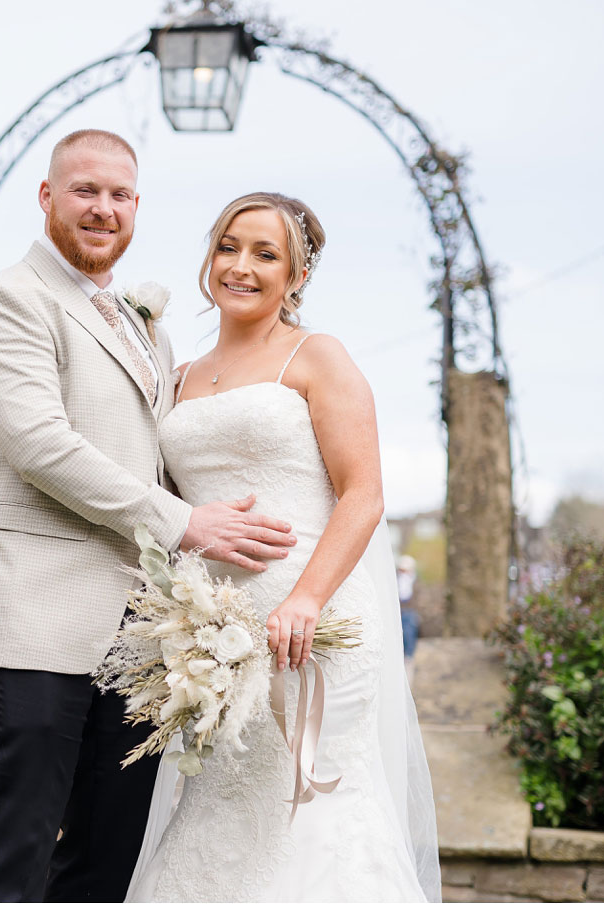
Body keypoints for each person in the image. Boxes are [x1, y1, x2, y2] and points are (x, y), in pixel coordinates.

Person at [0, 132, 297, 902]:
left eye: (120, 195)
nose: (104, 209)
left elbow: (158, 453)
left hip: (138, 636)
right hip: (34, 615)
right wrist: (185, 522)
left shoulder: (146, 326)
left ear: (137, 206)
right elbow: (41, 446)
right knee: (17, 842)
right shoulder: (5, 301)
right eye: (85, 190)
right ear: (47, 197)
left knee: (108, 856)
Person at [126, 192, 441, 902]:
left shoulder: (316, 356)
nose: (241, 266)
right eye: (228, 247)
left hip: (313, 628)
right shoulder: (178, 377)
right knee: (221, 803)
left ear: (297, 276)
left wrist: (306, 599)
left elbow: (364, 494)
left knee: (315, 806)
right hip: (212, 639)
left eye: (265, 254)